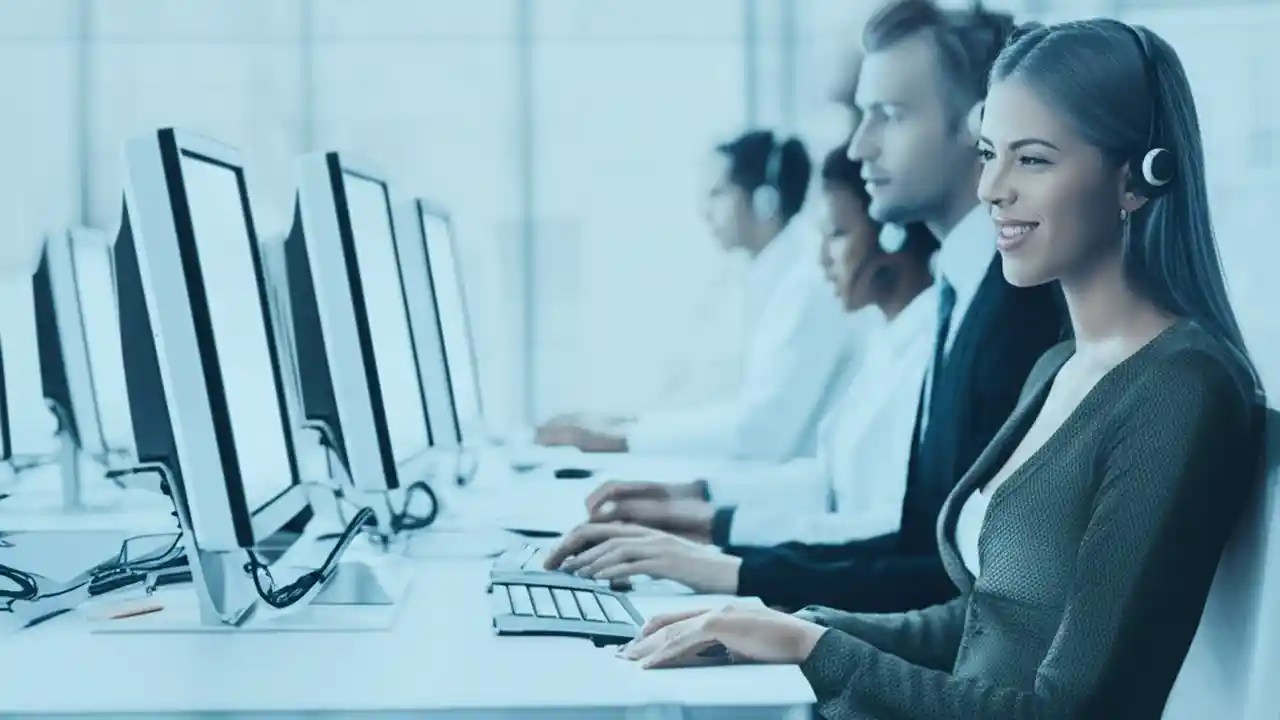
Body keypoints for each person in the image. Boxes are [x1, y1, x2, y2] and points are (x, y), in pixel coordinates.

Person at [614, 17, 1265, 720]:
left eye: (1033, 159)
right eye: (989, 154)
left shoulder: (1179, 389)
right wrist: (790, 628)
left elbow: (1068, 712)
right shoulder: (1059, 367)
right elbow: (979, 624)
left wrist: (816, 650)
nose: (992, 188)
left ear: (1137, 177)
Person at [543, 0, 1066, 614]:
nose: (860, 146)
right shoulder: (961, 293)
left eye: (890, 116)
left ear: (982, 127)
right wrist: (707, 538)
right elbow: (923, 541)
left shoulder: (1018, 309)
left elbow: (952, 578)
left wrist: (725, 562)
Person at [544, 147, 939, 568]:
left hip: (832, 568)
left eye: (837, 234)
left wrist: (707, 531)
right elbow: (827, 483)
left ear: (894, 236)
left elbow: (768, 437)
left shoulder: (911, 341)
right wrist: (685, 499)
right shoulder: (886, 338)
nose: (822, 257)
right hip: (800, 538)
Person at [536, 131, 875, 463]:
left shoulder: (811, 285)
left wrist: (619, 438)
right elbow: (710, 396)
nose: (704, 211)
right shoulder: (763, 281)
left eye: (717, 193)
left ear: (764, 202)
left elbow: (761, 431)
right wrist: (621, 422)